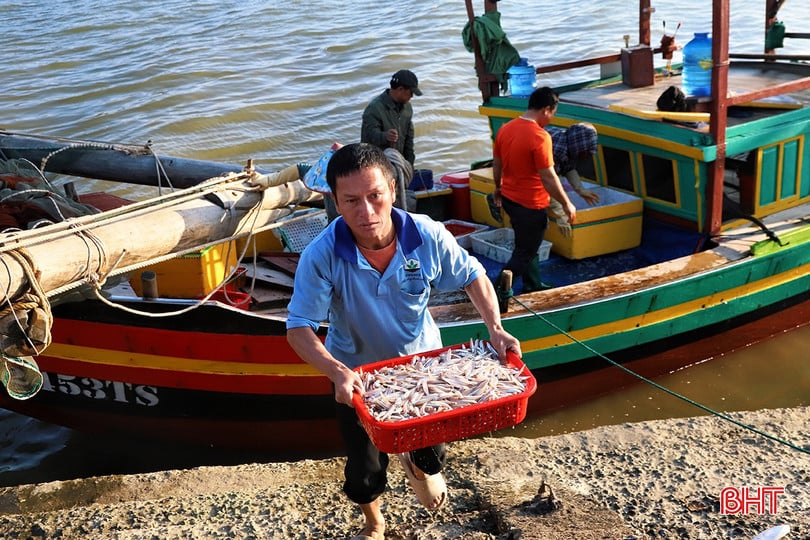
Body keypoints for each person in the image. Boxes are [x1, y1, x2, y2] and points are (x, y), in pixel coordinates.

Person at [286, 143, 521, 540]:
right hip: (358, 378)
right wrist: (336, 371)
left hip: (422, 369)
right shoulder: (320, 255)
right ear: (335, 202)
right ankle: (374, 523)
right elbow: (298, 327)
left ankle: (419, 465)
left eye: (375, 195)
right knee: (364, 467)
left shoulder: (426, 233)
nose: (367, 212)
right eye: (351, 201)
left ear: (392, 189)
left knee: (432, 454)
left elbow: (472, 275)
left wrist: (495, 328)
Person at [492, 86, 576, 294]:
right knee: (524, 252)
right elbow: (548, 177)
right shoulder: (540, 136)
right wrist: (567, 203)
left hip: (510, 198)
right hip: (531, 205)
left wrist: (497, 188)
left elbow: (497, 164)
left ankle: (532, 283)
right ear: (546, 109)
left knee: (527, 244)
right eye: (553, 113)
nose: (552, 118)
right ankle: (494, 292)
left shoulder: (505, 128)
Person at [361, 69, 422, 214]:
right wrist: (384, 136)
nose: (411, 97)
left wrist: (410, 166)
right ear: (400, 90)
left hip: (398, 166)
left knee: (404, 198)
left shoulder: (407, 108)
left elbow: (409, 139)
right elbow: (368, 136)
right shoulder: (374, 109)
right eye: (410, 93)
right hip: (377, 165)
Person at [546, 122, 601, 236]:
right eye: (585, 152)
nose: (585, 156)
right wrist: (561, 214)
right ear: (580, 145)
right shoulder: (557, 148)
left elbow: (568, 168)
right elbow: (547, 181)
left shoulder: (570, 144)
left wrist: (580, 189)